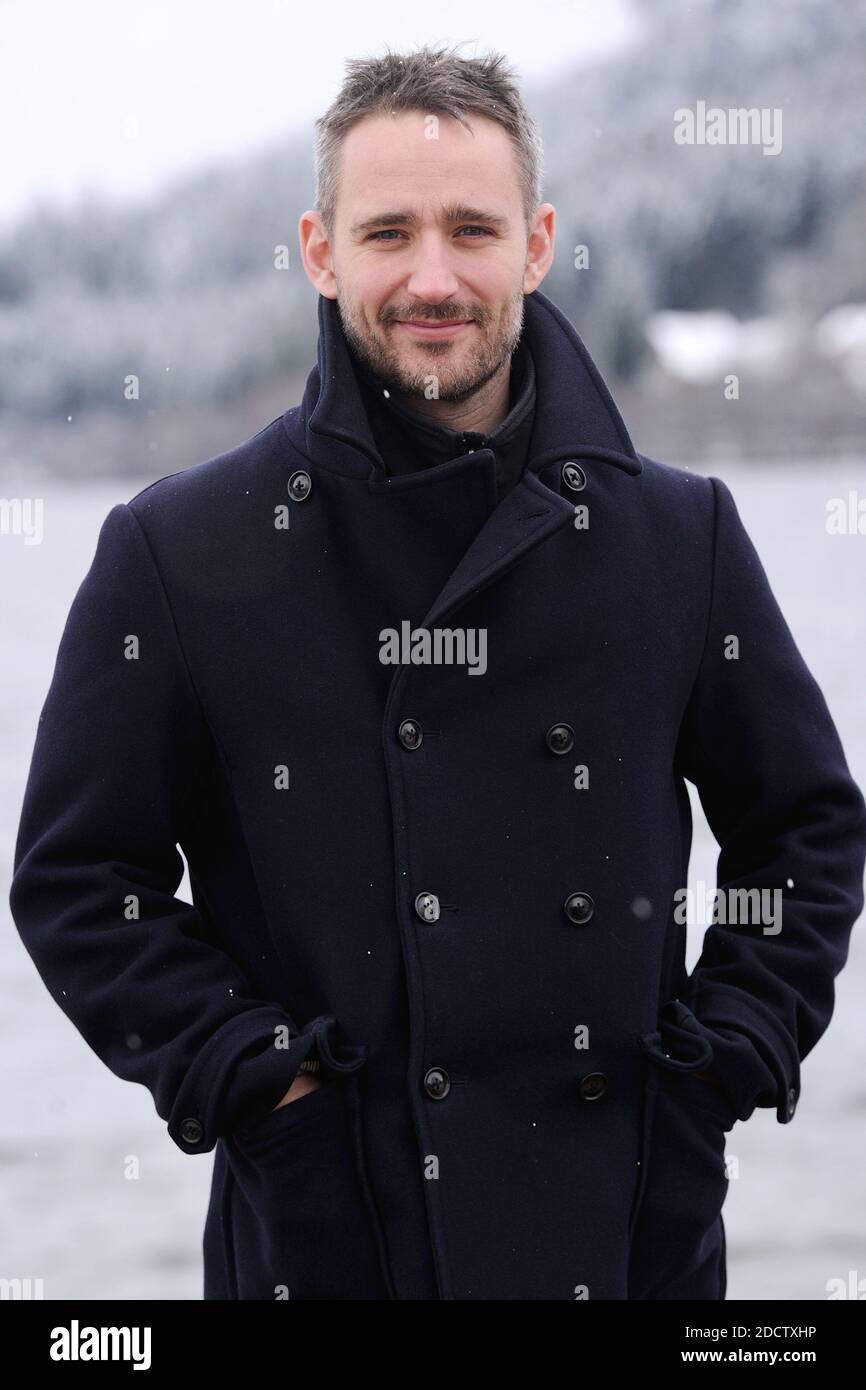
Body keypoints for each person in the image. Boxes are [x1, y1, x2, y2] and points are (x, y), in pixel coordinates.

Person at [9, 44, 866, 1301]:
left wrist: (728, 1051)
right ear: (319, 249)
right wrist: (255, 1079)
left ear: (535, 245)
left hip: (626, 1240)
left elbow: (801, 831)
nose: (431, 276)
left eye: (472, 228)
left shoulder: (677, 538)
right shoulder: (182, 548)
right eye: (388, 231)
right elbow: (81, 881)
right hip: (328, 1241)